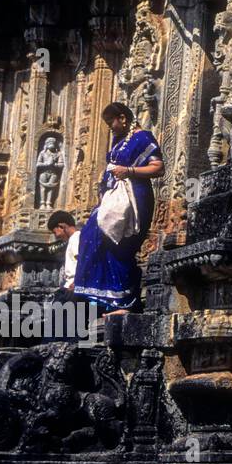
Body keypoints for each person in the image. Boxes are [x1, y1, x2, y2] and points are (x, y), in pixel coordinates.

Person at [73, 103, 164, 315]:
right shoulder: (119, 141)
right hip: (112, 199)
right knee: (91, 237)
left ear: (123, 118)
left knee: (121, 243)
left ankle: (127, 303)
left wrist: (129, 170)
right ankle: (111, 299)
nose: (110, 128)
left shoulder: (143, 138)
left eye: (110, 123)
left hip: (133, 199)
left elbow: (158, 167)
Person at [47, 209, 80, 299]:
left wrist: (77, 282)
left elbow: (82, 260)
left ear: (61, 226)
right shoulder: (73, 239)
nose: (56, 236)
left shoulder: (75, 238)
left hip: (74, 288)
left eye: (55, 232)